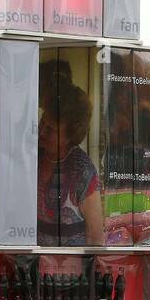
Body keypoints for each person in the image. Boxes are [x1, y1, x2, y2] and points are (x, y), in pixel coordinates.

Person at [36, 66, 105, 246]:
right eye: (42, 122)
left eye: (50, 130)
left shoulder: (82, 170)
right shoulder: (31, 155)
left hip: (70, 269)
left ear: (70, 137)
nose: (41, 131)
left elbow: (96, 235)